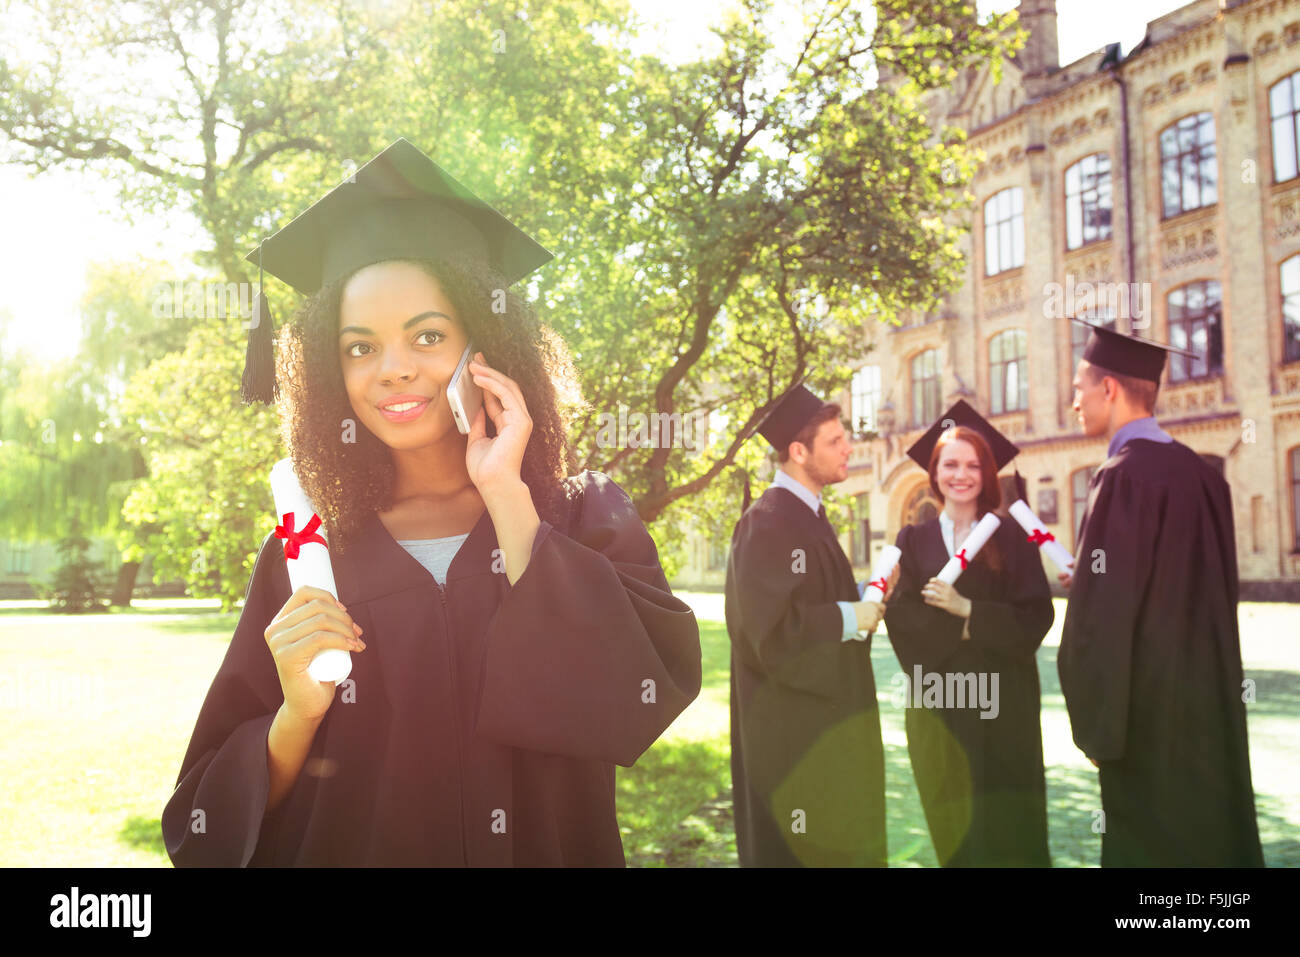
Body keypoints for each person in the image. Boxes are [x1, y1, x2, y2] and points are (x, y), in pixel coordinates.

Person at [162, 138, 702, 866]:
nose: (393, 370)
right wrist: (297, 713)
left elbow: (637, 702)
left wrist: (507, 496)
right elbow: (203, 826)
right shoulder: (307, 555)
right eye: (360, 347)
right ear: (330, 367)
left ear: (487, 344)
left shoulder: (585, 515)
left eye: (428, 335)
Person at [1059, 320, 1263, 867]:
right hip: (1209, 707)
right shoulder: (1203, 476)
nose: (1072, 400)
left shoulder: (1122, 476)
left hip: (1145, 722)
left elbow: (1101, 621)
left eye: (1079, 387)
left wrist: (1098, 728)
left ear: (1109, 389)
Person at [725, 384, 894, 867]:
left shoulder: (809, 517)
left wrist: (867, 599)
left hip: (829, 729)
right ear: (798, 452)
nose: (849, 449)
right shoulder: (769, 522)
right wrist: (848, 616)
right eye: (836, 441)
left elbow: (814, 608)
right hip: (794, 744)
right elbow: (768, 635)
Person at [884, 400, 1053, 867]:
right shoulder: (912, 541)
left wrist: (969, 611)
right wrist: (967, 630)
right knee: (955, 833)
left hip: (1005, 708)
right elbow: (902, 620)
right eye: (950, 464)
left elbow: (1035, 616)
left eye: (973, 465)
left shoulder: (1013, 538)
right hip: (939, 707)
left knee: (1010, 832)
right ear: (934, 472)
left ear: (988, 472)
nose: (962, 475)